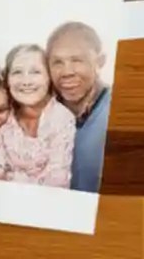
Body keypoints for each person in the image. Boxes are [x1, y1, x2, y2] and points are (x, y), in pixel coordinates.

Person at [0, 44, 76, 187]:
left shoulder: (62, 119)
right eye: (17, 72)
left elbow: (57, 182)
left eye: (35, 72)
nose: (26, 81)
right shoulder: (4, 116)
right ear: (7, 79)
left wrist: (11, 178)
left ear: (49, 78)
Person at [47, 21, 112, 193]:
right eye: (57, 62)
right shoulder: (43, 113)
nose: (67, 72)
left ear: (100, 62)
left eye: (77, 60)